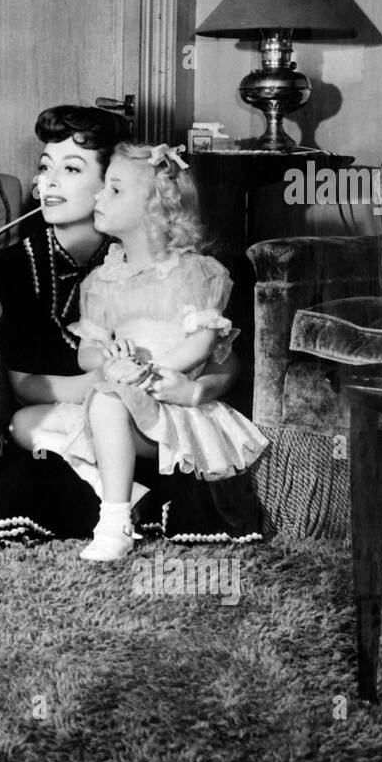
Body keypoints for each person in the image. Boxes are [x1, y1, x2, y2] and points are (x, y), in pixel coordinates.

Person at [0, 107, 243, 545]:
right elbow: (26, 386)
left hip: (158, 419)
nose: (47, 182)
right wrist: (106, 381)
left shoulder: (158, 255)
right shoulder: (15, 267)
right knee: (30, 470)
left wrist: (192, 388)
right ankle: (123, 506)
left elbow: (222, 357)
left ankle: (138, 503)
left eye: (71, 169)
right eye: (44, 167)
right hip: (77, 417)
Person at [55, 142, 269, 561]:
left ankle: (113, 521)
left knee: (108, 398)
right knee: (28, 424)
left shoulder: (194, 271)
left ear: (155, 207)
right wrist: (111, 359)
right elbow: (87, 355)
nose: (98, 197)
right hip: (122, 394)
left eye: (114, 190)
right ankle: (126, 492)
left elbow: (204, 342)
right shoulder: (101, 280)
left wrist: (145, 370)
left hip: (171, 403)